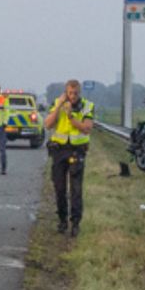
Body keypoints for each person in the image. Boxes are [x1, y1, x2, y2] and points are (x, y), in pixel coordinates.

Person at [44, 80, 94, 237]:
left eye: (75, 93)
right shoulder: (58, 104)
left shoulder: (86, 106)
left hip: (76, 151)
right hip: (59, 151)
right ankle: (62, 220)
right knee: (59, 188)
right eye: (70, 93)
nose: (72, 96)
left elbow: (87, 129)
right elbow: (48, 124)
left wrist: (71, 116)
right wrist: (59, 106)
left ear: (80, 93)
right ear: (66, 92)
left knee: (76, 190)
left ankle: (75, 223)